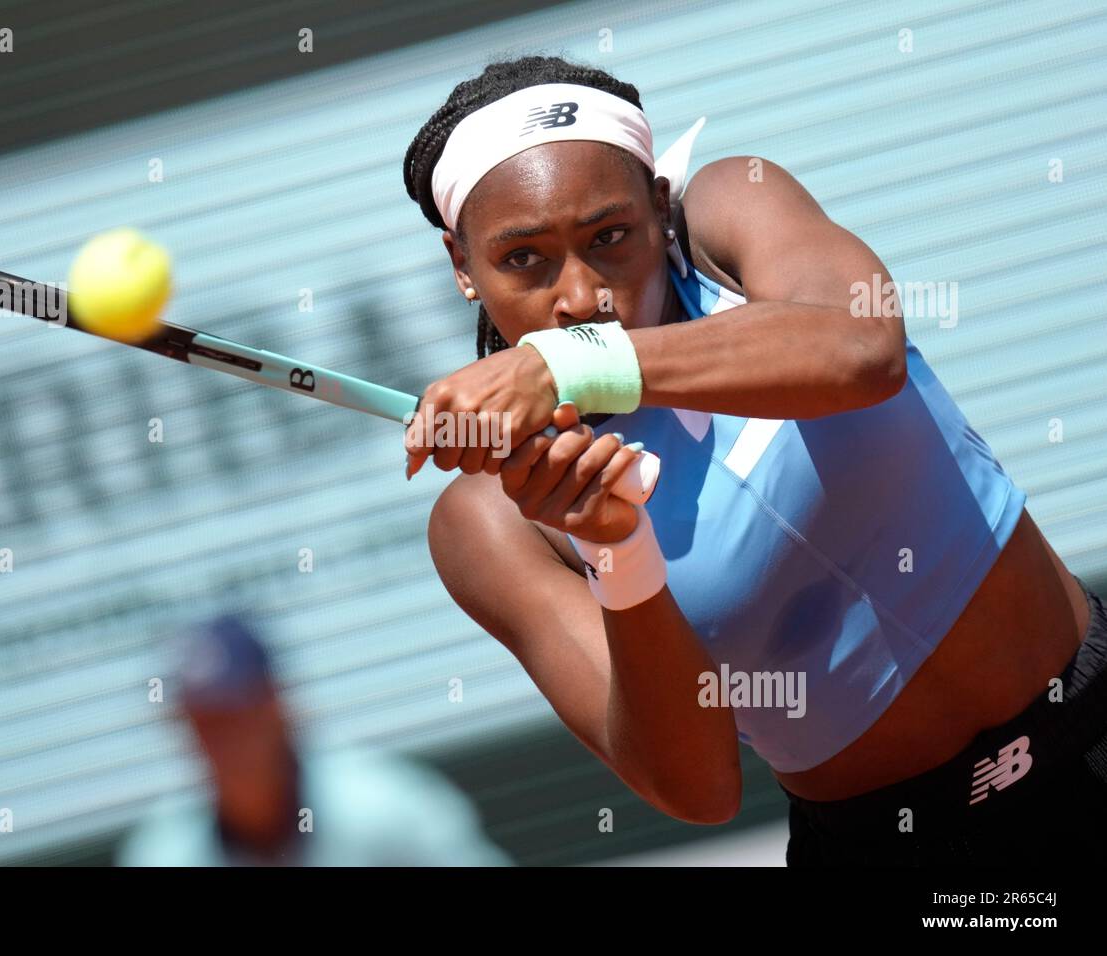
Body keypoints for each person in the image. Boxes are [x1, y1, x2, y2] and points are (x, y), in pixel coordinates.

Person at [401, 55, 1107, 865]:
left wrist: (577, 365)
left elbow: (862, 347)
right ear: (463, 266)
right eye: (524, 258)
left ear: (658, 206)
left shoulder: (732, 207)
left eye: (610, 236)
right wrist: (618, 551)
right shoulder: (490, 519)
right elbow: (698, 789)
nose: (580, 297)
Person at [117, 615, 512, 867]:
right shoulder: (162, 853)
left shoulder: (383, 804)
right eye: (202, 722)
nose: (220, 741)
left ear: (276, 702)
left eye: (234, 716)